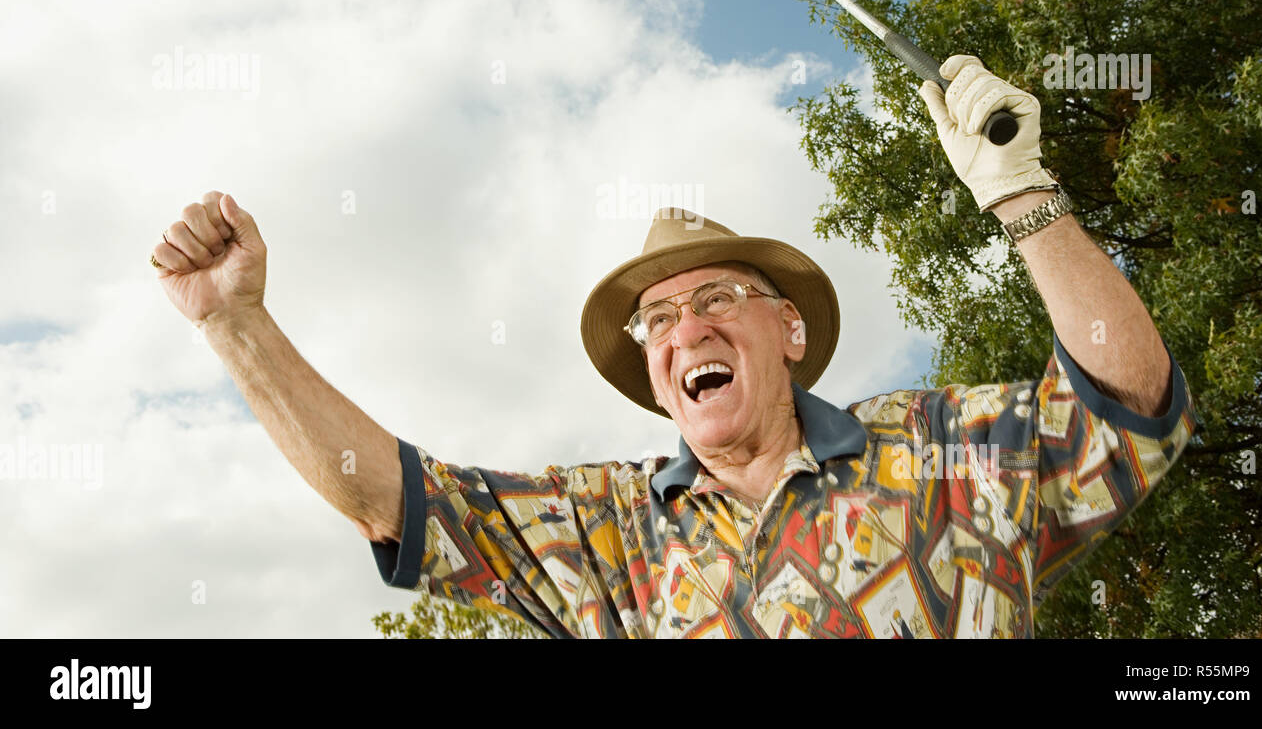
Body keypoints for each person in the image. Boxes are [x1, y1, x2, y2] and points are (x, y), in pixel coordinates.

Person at [150, 55, 1199, 638]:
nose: (683, 327)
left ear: (788, 332)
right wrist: (236, 326)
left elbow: (1127, 406)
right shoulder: (601, 531)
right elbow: (390, 496)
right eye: (657, 321)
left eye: (716, 299)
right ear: (655, 374)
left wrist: (1021, 195)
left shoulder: (938, 451)